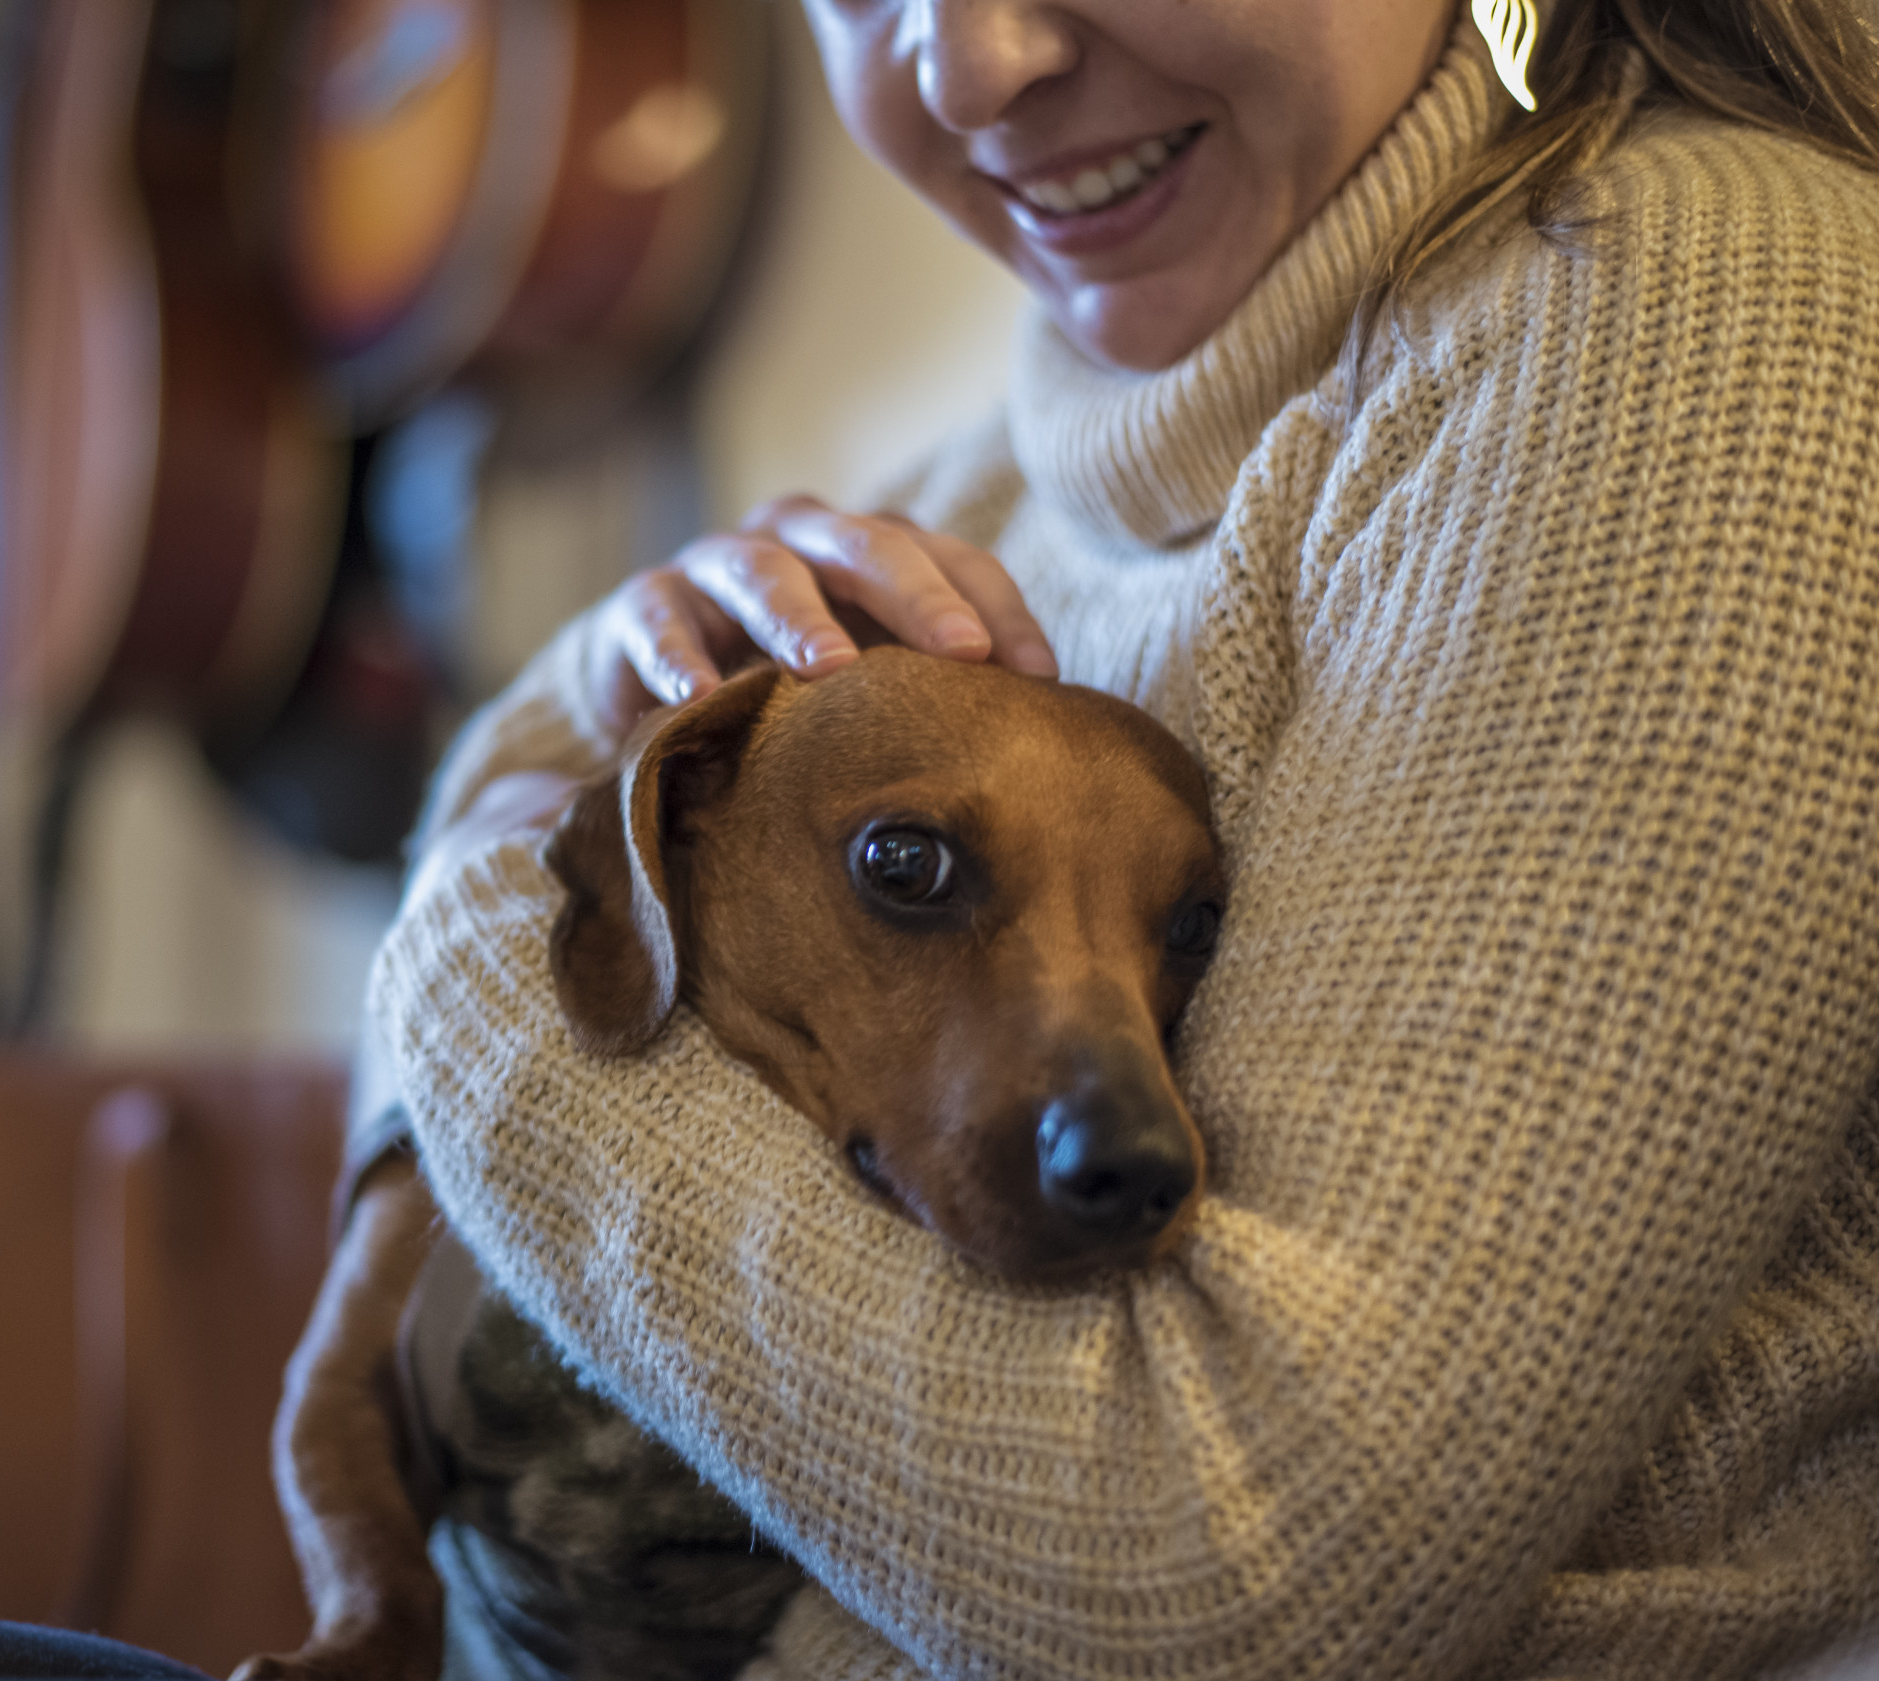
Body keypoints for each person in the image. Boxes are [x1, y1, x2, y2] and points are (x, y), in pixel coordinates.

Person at [362, 1, 1879, 1676]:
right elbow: (501, 925)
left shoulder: (1692, 319)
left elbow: (1230, 1574)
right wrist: (596, 694)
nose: (968, 65)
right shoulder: (991, 483)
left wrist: (467, 966)